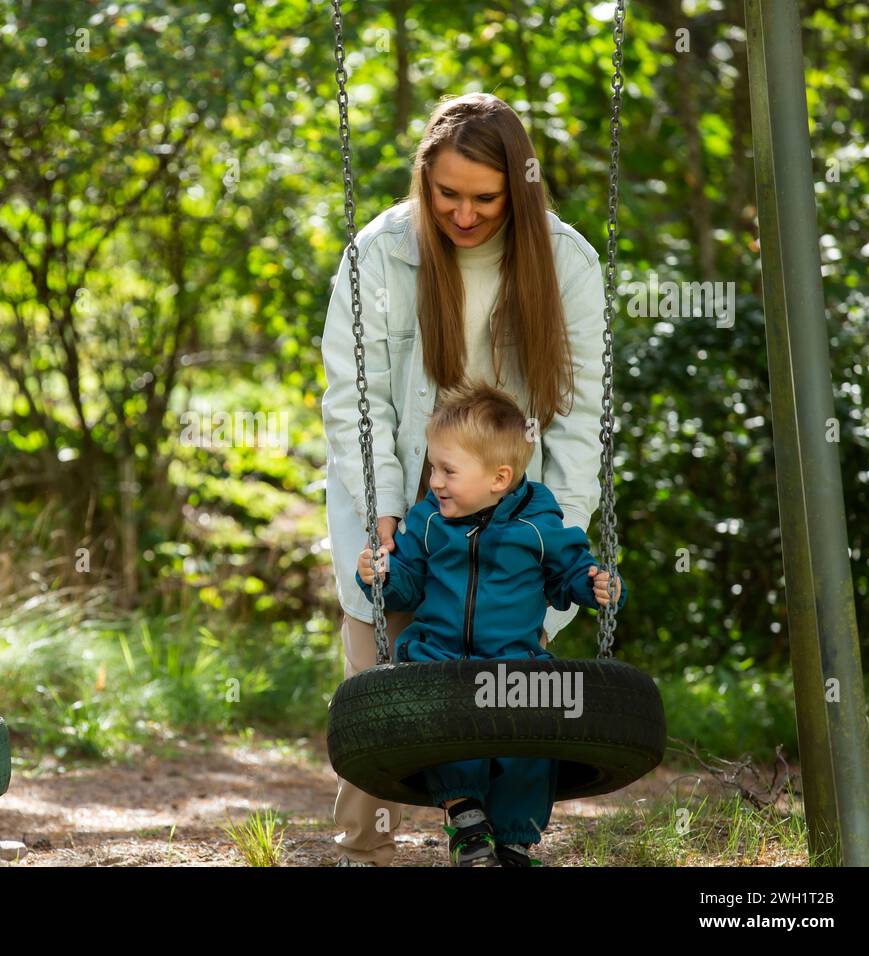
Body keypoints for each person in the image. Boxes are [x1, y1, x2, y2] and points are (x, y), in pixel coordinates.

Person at [321, 91, 610, 866]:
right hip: (403, 480)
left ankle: (490, 837)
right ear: (424, 180)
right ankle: (365, 848)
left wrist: (567, 528)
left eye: (486, 198)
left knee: (505, 677)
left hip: (512, 497)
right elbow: (358, 398)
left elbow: (582, 417)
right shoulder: (381, 253)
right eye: (447, 194)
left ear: (520, 189)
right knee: (383, 669)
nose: (465, 213)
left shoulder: (567, 261)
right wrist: (383, 509)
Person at [355, 382, 625, 866]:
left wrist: (593, 586)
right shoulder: (427, 521)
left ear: (499, 478)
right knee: (444, 724)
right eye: (434, 468)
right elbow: (408, 586)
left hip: (511, 656)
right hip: (438, 655)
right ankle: (465, 816)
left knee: (529, 737)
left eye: (447, 471)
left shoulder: (537, 519)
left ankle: (516, 840)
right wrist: (380, 578)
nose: (434, 481)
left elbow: (567, 569)